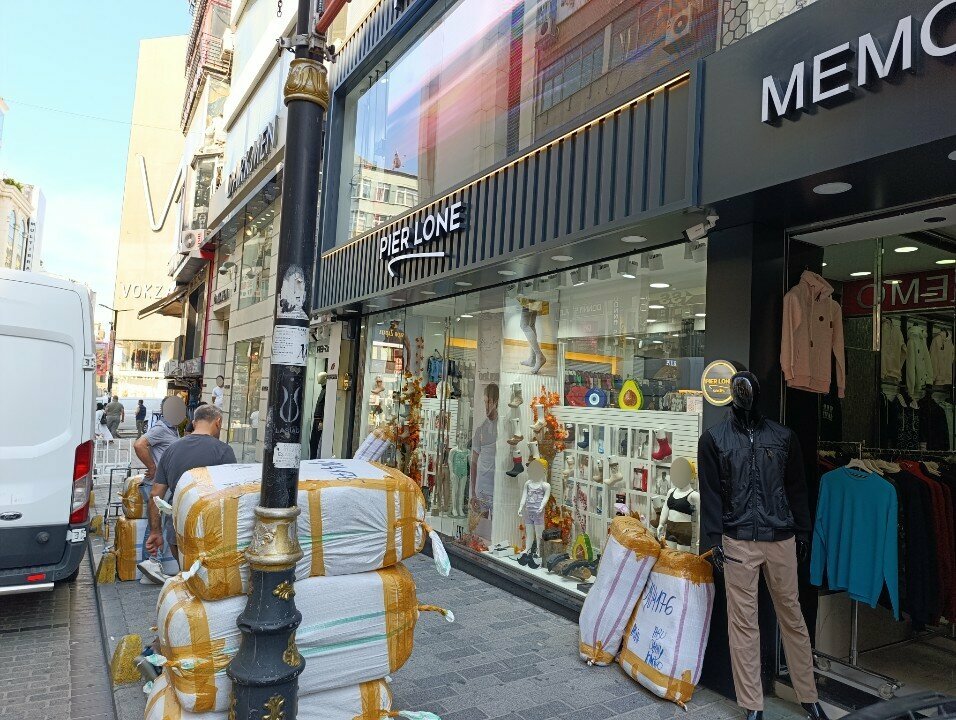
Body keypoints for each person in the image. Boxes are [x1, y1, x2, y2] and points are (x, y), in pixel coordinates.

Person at [141, 405, 236, 583]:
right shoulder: (223, 451)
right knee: (209, 583)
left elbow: (155, 494)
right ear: (218, 422)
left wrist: (155, 531)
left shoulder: (171, 450)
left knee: (188, 578)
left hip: (177, 529)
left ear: (193, 422)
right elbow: (230, 495)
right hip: (210, 530)